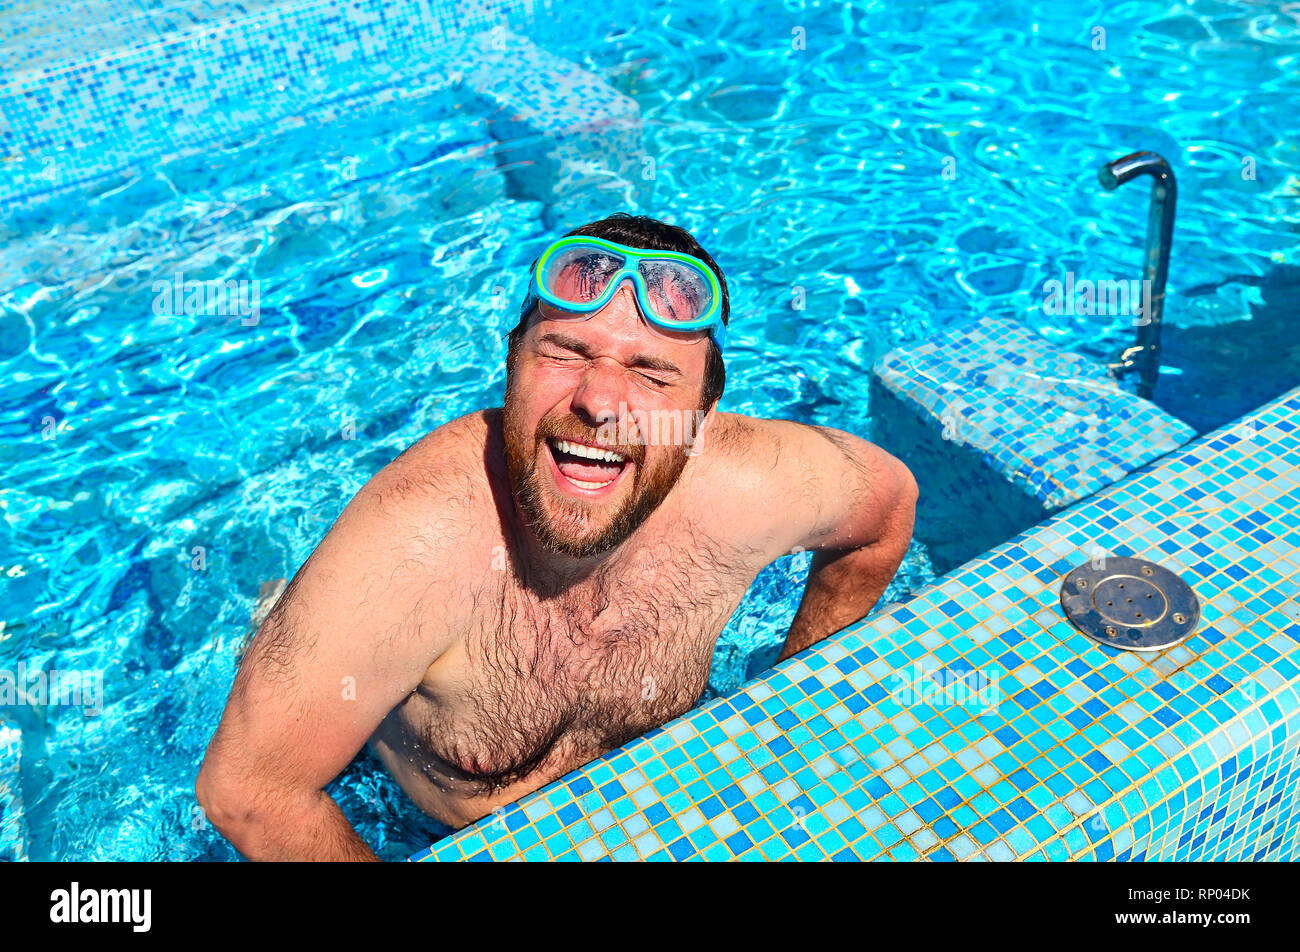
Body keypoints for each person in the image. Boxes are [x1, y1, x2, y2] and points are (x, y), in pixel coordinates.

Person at [196, 213, 917, 860]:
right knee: (289, 651)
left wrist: (794, 712)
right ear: (512, 368)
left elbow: (887, 510)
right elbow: (248, 791)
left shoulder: (751, 488)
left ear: (703, 414)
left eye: (651, 372)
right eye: (567, 351)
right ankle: (280, 609)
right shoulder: (419, 537)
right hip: (425, 824)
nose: (600, 402)